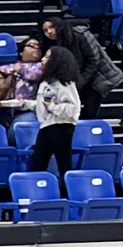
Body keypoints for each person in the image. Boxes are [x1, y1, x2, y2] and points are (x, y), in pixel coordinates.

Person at [40, 15, 120, 119]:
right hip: (75, 79)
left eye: (51, 27)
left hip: (97, 76)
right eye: (45, 30)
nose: (49, 32)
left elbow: (94, 60)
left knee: (90, 111)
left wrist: (80, 81)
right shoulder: (52, 45)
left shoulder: (79, 34)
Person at [27, 47, 81, 180]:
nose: (42, 59)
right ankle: (36, 191)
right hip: (46, 125)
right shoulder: (46, 82)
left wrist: (52, 107)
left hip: (61, 127)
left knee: (63, 163)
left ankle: (68, 194)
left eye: (47, 57)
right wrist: (25, 104)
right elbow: (43, 103)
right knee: (38, 161)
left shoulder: (65, 84)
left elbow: (73, 108)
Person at [0, 37, 43, 130]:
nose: (36, 48)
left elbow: (34, 75)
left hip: (24, 110)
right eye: (31, 46)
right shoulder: (8, 66)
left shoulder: (41, 67)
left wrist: (20, 69)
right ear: (21, 52)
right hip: (1, 109)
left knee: (19, 127)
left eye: (38, 47)